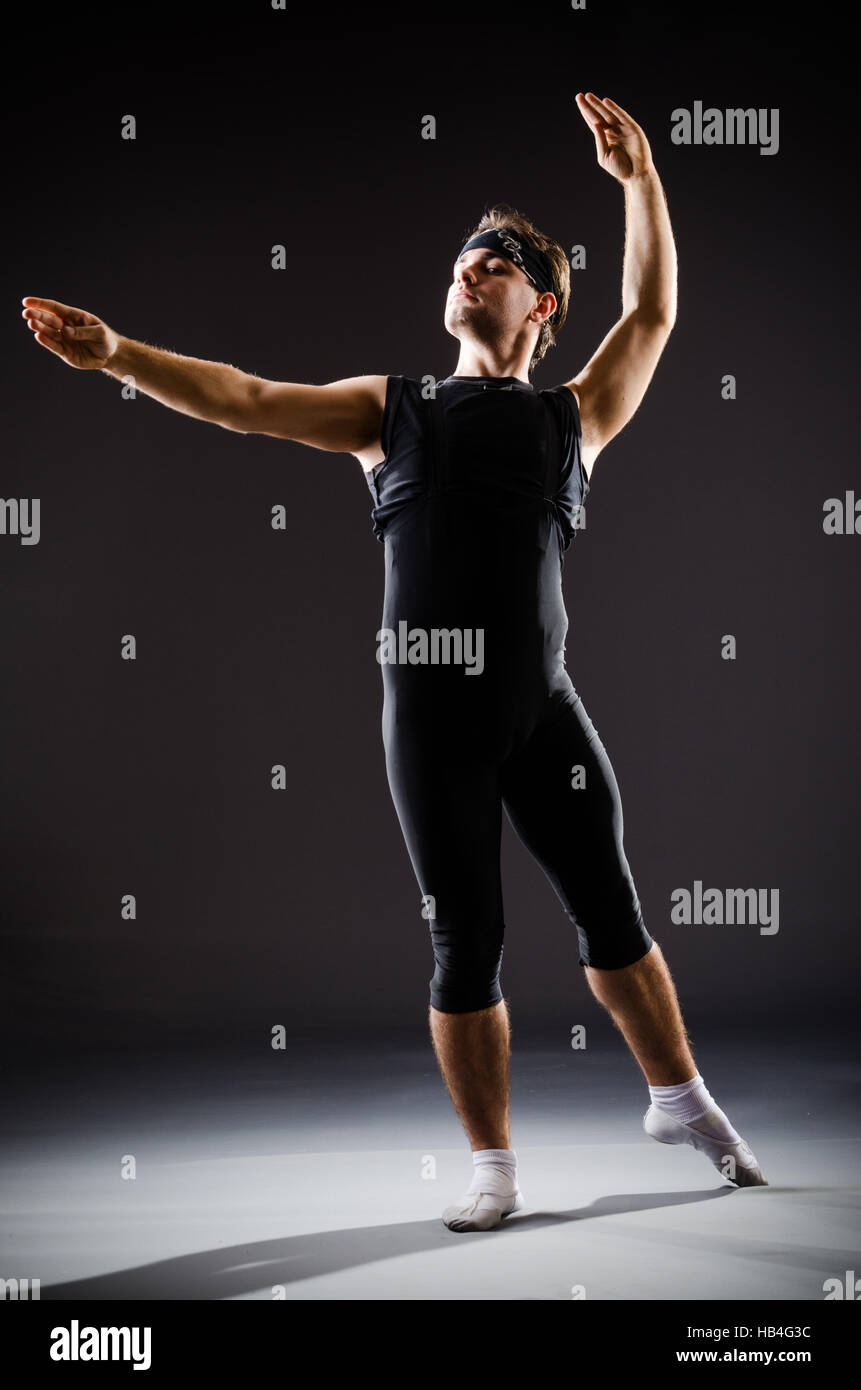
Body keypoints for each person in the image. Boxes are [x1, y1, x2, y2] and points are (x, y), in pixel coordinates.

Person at [21, 92, 766, 1233]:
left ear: (542, 302)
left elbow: (654, 311)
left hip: (544, 712)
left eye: (496, 265)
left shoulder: (577, 417)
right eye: (463, 261)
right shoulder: (393, 413)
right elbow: (243, 401)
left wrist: (641, 180)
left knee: (612, 909)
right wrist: (118, 354)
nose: (469, 273)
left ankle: (685, 1100)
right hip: (432, 725)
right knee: (466, 938)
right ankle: (495, 1166)